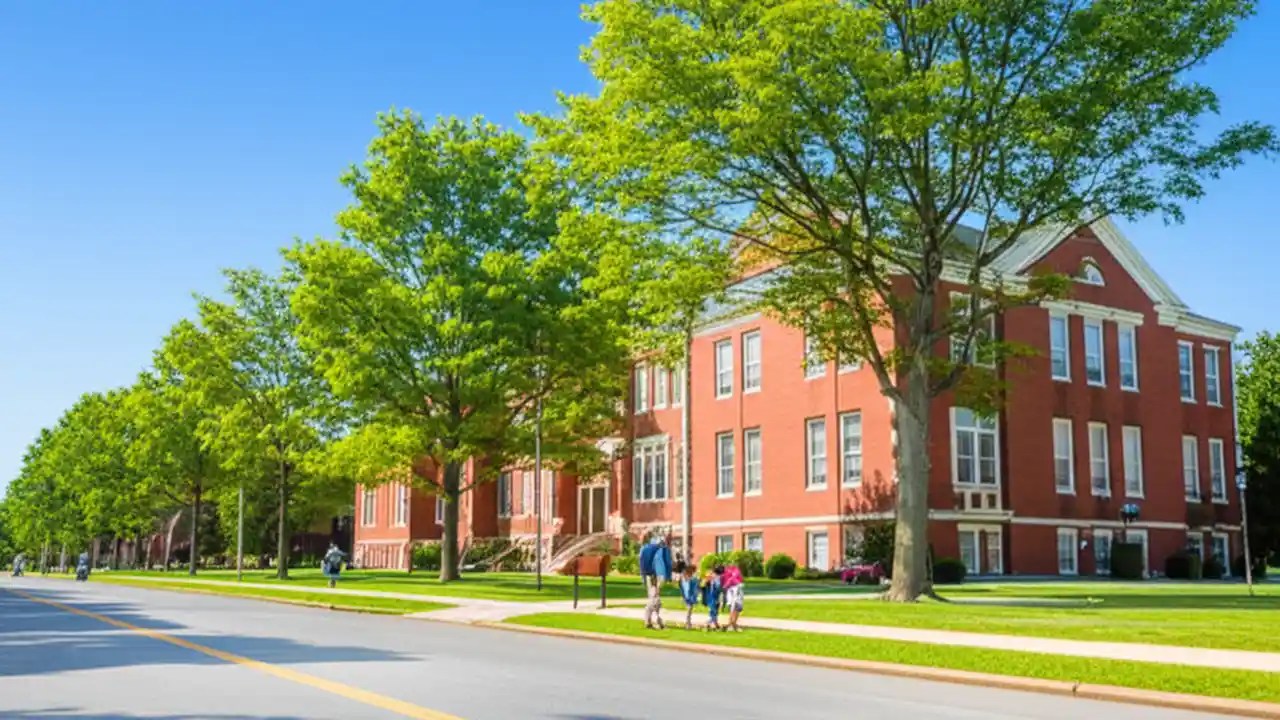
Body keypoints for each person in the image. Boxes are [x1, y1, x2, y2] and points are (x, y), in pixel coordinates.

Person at [637, 532, 672, 630]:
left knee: (654, 599)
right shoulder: (659, 549)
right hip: (654, 576)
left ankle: (652, 620)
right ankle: (654, 620)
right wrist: (663, 577)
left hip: (649, 575)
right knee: (655, 600)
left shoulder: (645, 549)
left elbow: (642, 563)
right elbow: (661, 564)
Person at [721, 562, 745, 632]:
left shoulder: (735, 571)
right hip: (733, 589)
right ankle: (732, 624)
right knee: (734, 607)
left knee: (735, 607)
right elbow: (734, 579)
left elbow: (738, 579)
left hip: (734, 589)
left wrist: (725, 586)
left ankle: (732, 624)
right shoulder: (729, 571)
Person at [676, 560, 699, 630]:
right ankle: (688, 623)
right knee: (689, 610)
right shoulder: (687, 580)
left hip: (689, 597)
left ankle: (688, 623)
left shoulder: (690, 580)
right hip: (688, 597)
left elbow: (693, 588)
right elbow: (687, 588)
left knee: (689, 610)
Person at [700, 565, 724, 631]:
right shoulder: (713, 579)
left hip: (714, 598)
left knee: (714, 612)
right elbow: (703, 586)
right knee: (713, 612)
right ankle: (707, 624)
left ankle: (715, 625)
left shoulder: (716, 579)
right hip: (712, 598)